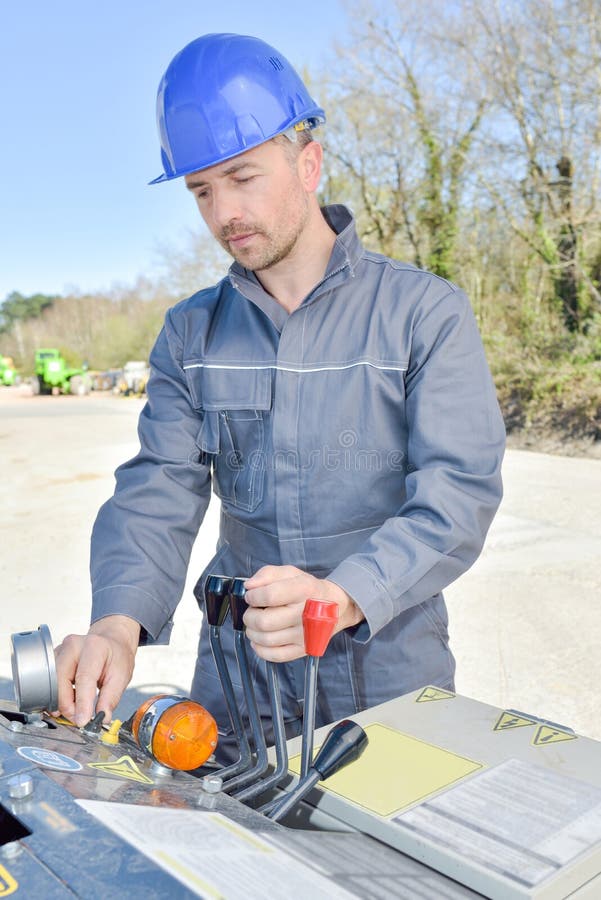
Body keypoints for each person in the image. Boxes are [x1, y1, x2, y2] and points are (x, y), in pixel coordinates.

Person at [55, 33, 505, 759]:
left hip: (386, 673)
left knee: (380, 868)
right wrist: (116, 622)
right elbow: (159, 488)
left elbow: (458, 492)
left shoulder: (424, 313)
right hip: (237, 684)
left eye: (242, 177)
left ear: (308, 162)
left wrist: (349, 592)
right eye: (201, 190)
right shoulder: (190, 331)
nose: (223, 212)